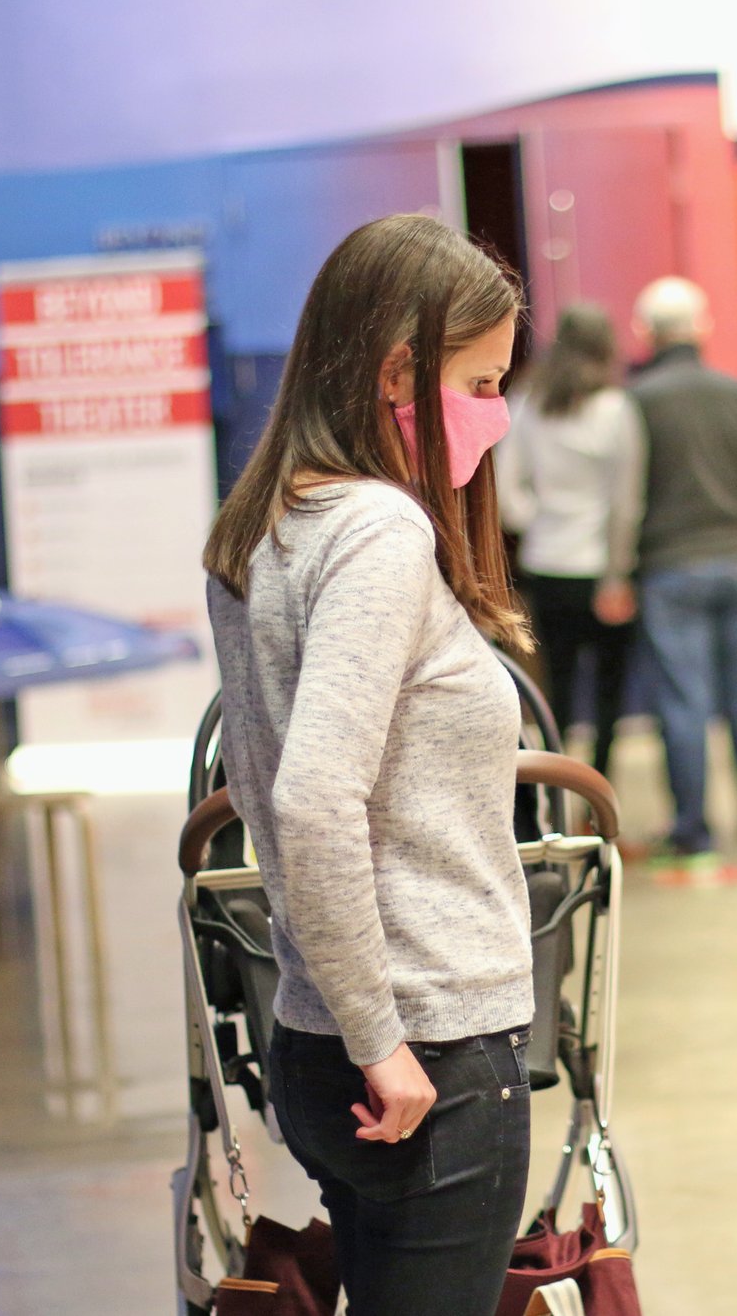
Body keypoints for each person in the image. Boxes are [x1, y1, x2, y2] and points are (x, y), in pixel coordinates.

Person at [203, 214, 534, 1315]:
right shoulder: (378, 535)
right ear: (398, 370)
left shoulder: (264, 527)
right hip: (424, 1054)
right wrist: (384, 1041)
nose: (496, 412)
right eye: (479, 381)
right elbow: (307, 797)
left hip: (318, 1036)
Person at [598, 275, 737, 879]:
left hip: (670, 570)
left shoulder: (638, 402)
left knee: (684, 706)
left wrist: (615, 572)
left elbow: (625, 498)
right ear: (704, 327)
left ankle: (695, 839)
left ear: (644, 333)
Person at [496, 303, 640, 778]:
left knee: (554, 685)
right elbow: (626, 502)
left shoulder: (527, 403)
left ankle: (558, 790)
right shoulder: (617, 409)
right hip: (604, 571)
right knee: (608, 690)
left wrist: (540, 519)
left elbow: (505, 492)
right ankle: (600, 789)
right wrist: (619, 570)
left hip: (547, 564)